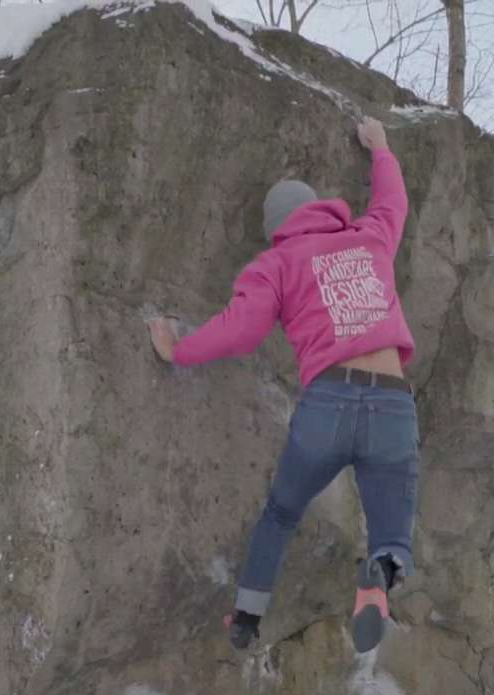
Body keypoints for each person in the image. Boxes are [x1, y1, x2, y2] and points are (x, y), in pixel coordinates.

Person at [148, 117, 418, 654]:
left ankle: (246, 617)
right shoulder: (368, 237)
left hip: (328, 404)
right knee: (391, 531)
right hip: (391, 402)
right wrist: (380, 149)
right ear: (320, 207)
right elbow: (393, 202)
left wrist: (177, 347)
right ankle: (379, 576)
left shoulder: (275, 262)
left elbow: (240, 329)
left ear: (277, 226)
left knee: (280, 514)